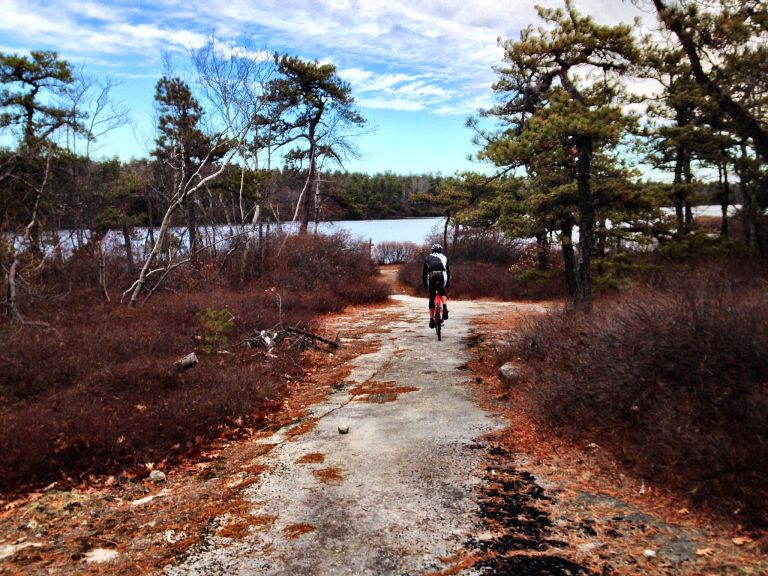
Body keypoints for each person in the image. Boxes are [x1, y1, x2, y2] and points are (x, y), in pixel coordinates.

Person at [422, 243, 449, 329]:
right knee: (443, 291)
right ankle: (444, 307)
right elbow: (448, 271)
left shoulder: (427, 258)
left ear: (432, 251)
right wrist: (448, 283)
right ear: (441, 250)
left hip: (432, 277)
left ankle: (431, 320)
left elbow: (424, 273)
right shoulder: (444, 257)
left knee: (432, 297)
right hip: (442, 276)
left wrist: (425, 284)